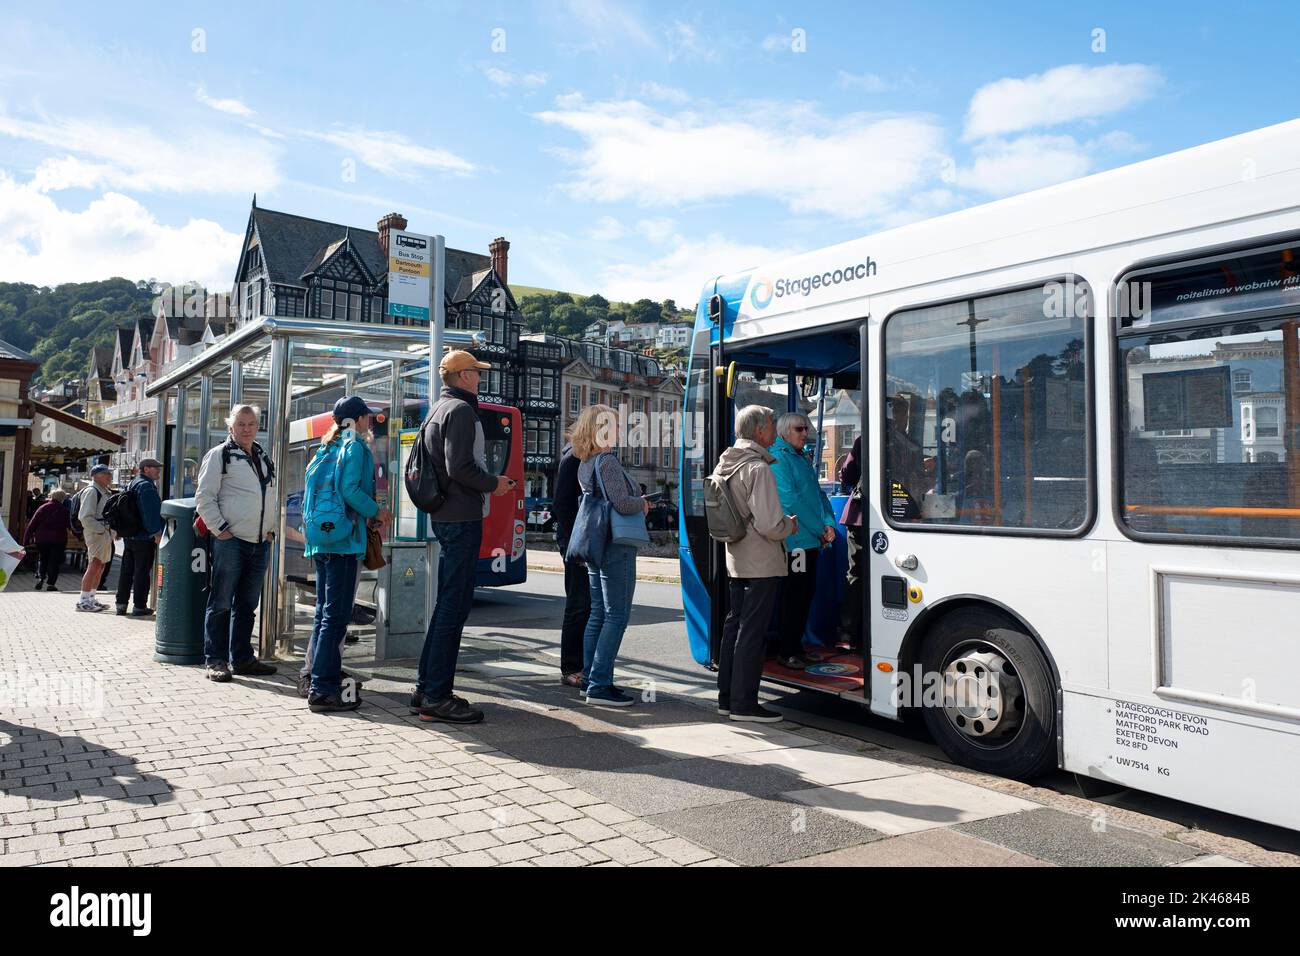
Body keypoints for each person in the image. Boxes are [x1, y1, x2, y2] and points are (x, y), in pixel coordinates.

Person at [411, 350, 513, 724]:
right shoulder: (462, 411)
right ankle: (436, 696)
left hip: (444, 514)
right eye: (476, 373)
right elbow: (461, 467)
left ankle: (426, 688)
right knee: (454, 608)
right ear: (463, 376)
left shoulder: (438, 409)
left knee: (446, 605)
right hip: (462, 515)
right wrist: (495, 483)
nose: (480, 379)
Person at [298, 396, 389, 713]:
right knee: (336, 618)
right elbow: (351, 491)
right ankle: (323, 689)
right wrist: (376, 511)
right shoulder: (355, 448)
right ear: (359, 420)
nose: (370, 423)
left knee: (324, 614)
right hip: (344, 541)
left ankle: (313, 677)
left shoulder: (325, 450)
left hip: (321, 541)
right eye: (368, 417)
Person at [713, 405, 798, 723]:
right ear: (760, 430)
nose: (776, 427)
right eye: (773, 422)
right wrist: (789, 525)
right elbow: (769, 525)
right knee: (752, 633)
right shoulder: (758, 469)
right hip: (761, 561)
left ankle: (727, 698)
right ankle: (745, 703)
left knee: (734, 627)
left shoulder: (728, 463)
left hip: (736, 558)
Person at [570, 404, 648, 708]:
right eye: (613, 425)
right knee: (617, 616)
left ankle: (590, 678)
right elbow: (621, 504)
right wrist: (640, 502)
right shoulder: (608, 462)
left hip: (595, 543)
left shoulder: (585, 463)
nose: (618, 431)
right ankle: (600, 686)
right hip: (617, 544)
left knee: (598, 614)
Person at [196, 405, 280, 683]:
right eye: (241, 424)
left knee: (247, 605)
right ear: (230, 427)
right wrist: (219, 530)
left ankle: (243, 658)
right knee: (220, 603)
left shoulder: (263, 456)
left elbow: (272, 496)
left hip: (260, 543)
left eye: (251, 424)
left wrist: (271, 531)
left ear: (258, 427)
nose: (246, 429)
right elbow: (204, 497)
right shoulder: (219, 455)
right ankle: (216, 660)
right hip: (230, 541)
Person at [770, 412, 837, 670]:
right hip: (796, 541)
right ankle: (787, 651)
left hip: (810, 539)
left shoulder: (801, 457)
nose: (805, 433)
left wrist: (829, 523)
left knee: (805, 593)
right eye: (800, 429)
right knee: (794, 596)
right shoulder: (780, 459)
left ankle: (797, 647)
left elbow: (819, 495)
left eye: (806, 429)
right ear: (785, 432)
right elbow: (791, 502)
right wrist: (821, 529)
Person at [552, 436, 590, 688]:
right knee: (578, 605)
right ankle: (571, 667)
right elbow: (562, 504)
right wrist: (572, 545)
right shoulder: (573, 457)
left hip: (585, 542)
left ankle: (584, 664)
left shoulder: (587, 458)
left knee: (588, 606)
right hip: (576, 544)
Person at [115, 458, 163, 616]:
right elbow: (150, 513)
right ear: (146, 468)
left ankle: (121, 604)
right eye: (156, 468)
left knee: (127, 571)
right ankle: (139, 606)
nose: (159, 471)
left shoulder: (132, 483)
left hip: (130, 535)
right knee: (142, 572)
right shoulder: (146, 486)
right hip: (143, 536)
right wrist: (156, 532)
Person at [836, 435, 864, 650]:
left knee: (856, 574)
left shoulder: (865, 438)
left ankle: (850, 635)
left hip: (861, 517)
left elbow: (847, 474)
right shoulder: (908, 440)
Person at [76, 465, 114, 612]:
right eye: (106, 474)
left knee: (100, 565)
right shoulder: (92, 491)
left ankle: (90, 598)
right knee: (95, 564)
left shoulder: (101, 491)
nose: (110, 476)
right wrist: (102, 530)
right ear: (96, 475)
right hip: (97, 532)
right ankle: (84, 600)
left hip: (102, 531)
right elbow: (84, 517)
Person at [25, 488, 71, 591]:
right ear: (62, 499)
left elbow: (32, 525)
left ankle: (41, 578)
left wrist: (26, 540)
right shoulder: (64, 510)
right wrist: (79, 535)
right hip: (58, 539)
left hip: (42, 539)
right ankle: (51, 584)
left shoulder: (42, 508)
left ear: (51, 496)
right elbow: (70, 525)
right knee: (54, 561)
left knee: (43, 558)